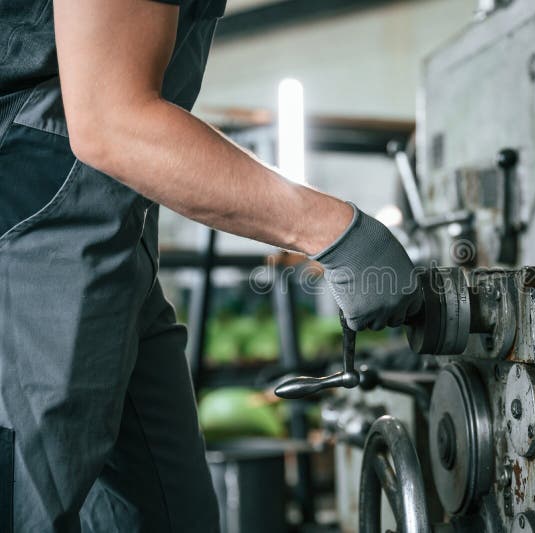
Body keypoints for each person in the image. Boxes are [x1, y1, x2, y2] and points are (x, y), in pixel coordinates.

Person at [0, 0, 422, 531]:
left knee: (174, 515)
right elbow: (113, 122)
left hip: (115, 238)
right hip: (31, 232)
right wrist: (340, 234)